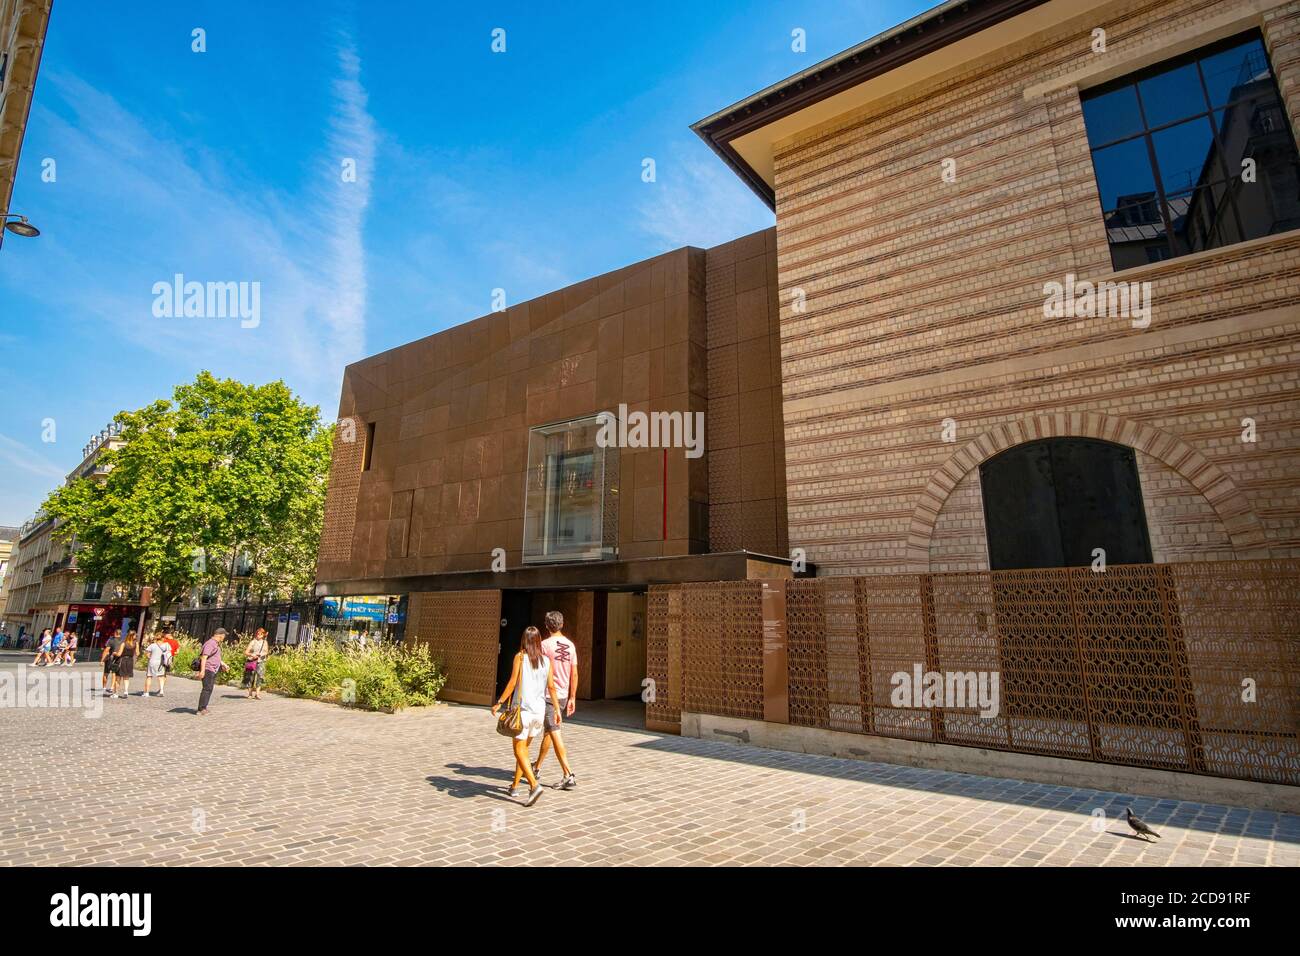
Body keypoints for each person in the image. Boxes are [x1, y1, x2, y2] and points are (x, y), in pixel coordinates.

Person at [490, 626, 561, 807]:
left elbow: (513, 682)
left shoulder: (520, 658)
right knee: (524, 750)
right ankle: (514, 786)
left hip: (523, 712)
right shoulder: (546, 660)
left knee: (518, 750)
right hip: (539, 711)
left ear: (524, 640)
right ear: (538, 641)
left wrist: (499, 701)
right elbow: (551, 687)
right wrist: (558, 710)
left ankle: (534, 785)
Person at [534, 610, 578, 790]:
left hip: (548, 695)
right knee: (549, 732)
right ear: (562, 624)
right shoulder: (570, 645)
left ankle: (568, 774)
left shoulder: (544, 645)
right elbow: (574, 672)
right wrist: (573, 697)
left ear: (546, 625)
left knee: (554, 731)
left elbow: (538, 671)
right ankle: (536, 767)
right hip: (562, 695)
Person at [196, 628, 230, 715]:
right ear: (221, 635)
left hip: (212, 669)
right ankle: (201, 709)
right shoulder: (211, 643)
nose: (224, 637)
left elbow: (215, 657)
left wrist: (223, 664)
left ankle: (204, 707)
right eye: (224, 635)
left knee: (209, 688)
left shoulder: (215, 644)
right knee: (207, 689)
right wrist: (202, 671)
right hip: (208, 669)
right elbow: (204, 657)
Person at [243, 627, 269, 699]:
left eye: (261, 634)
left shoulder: (265, 642)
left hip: (261, 661)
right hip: (252, 661)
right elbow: (246, 652)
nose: (259, 635)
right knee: (250, 677)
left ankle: (257, 694)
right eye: (258, 634)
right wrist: (252, 655)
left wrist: (262, 654)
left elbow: (266, 651)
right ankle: (250, 693)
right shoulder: (253, 642)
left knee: (260, 677)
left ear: (263, 635)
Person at [111, 631, 138, 698]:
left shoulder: (124, 644)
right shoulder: (136, 644)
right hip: (130, 661)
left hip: (122, 660)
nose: (136, 637)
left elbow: (119, 654)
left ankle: (116, 694)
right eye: (135, 636)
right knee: (126, 677)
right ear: (133, 636)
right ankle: (126, 691)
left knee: (118, 677)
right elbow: (137, 653)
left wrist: (114, 653)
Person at [100, 628, 123, 693]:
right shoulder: (122, 641)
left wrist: (102, 660)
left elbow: (106, 650)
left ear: (115, 633)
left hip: (110, 658)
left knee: (106, 673)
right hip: (117, 659)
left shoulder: (111, 640)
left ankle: (104, 687)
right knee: (114, 673)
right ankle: (112, 687)